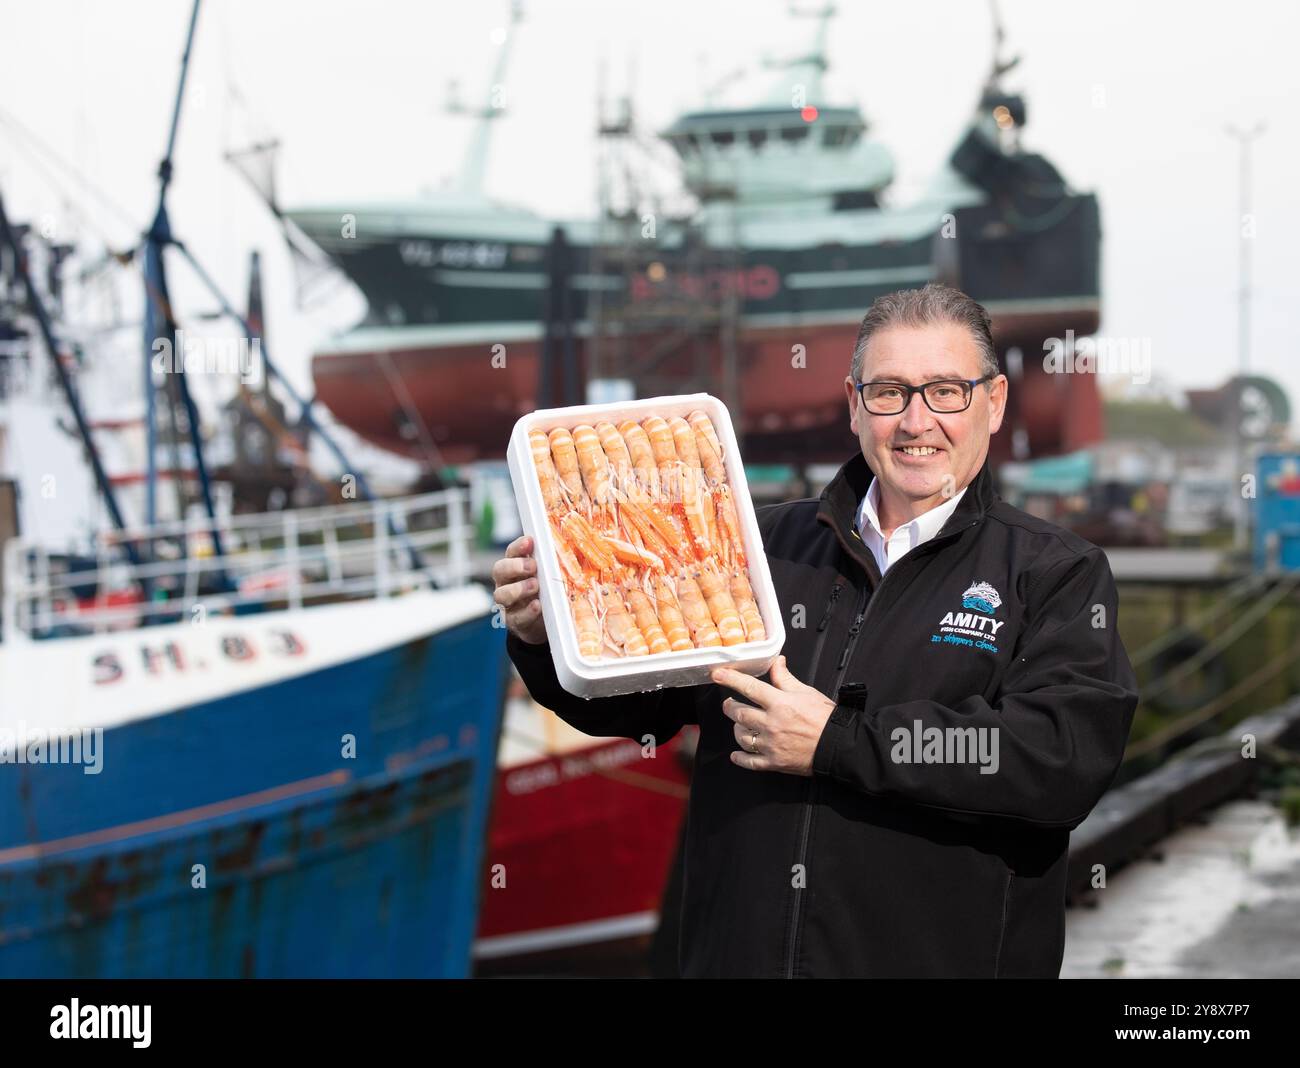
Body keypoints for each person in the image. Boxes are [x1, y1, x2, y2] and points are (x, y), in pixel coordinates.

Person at [493, 283, 1139, 978]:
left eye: (946, 391)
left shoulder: (1053, 572)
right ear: (856, 403)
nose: (917, 421)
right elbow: (637, 702)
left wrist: (838, 743)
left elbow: (1057, 760)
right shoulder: (760, 544)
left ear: (994, 401)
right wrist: (541, 633)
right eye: (889, 392)